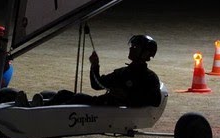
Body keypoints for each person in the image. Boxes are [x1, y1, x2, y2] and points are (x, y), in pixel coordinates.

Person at [31, 34, 161, 107]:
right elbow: (97, 84)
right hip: (101, 104)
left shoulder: (150, 78)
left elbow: (154, 101)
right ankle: (34, 106)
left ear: (146, 54)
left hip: (111, 109)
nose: (131, 48)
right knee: (63, 94)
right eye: (132, 46)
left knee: (77, 98)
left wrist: (127, 96)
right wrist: (95, 65)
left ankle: (39, 110)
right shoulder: (123, 72)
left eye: (136, 47)